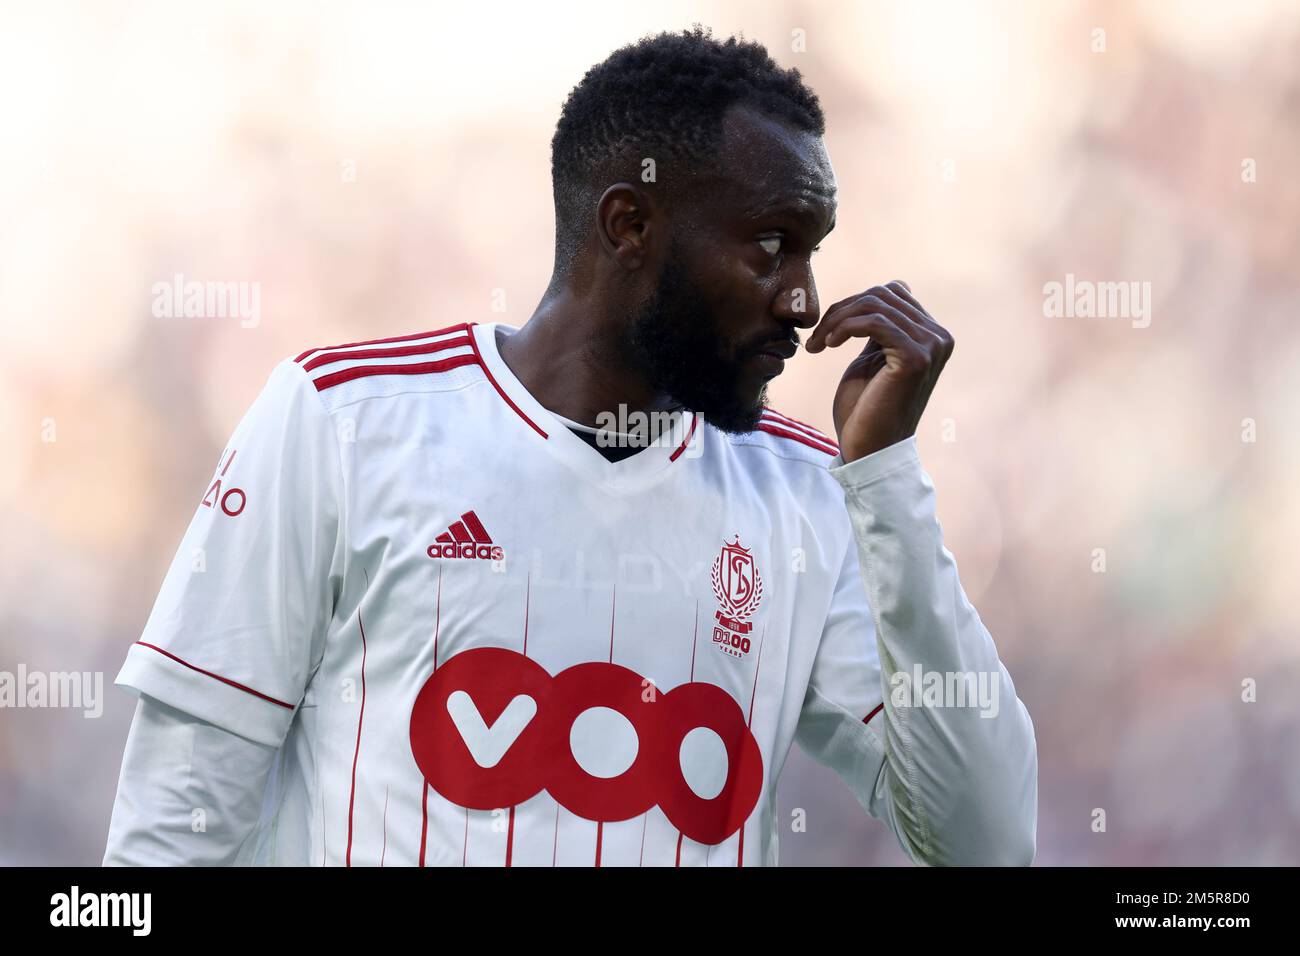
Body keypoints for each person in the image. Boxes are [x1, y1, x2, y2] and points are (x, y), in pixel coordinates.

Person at [104, 26, 1036, 866]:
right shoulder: (344, 422)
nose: (802, 299)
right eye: (769, 245)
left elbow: (987, 841)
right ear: (630, 225)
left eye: (811, 252)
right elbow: (178, 824)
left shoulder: (812, 497)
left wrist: (885, 482)